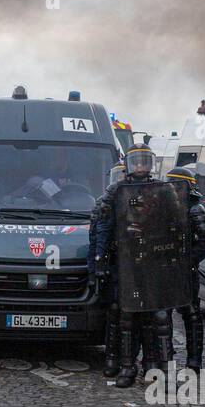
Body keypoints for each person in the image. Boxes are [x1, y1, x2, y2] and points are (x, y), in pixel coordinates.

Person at [98, 144, 175, 388]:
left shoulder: (163, 191)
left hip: (153, 261)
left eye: (144, 161)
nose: (141, 166)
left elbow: (175, 223)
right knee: (127, 317)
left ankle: (156, 366)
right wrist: (101, 259)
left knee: (157, 317)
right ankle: (127, 366)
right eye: (136, 161)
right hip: (127, 261)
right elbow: (103, 226)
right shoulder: (116, 190)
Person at [166, 166, 205, 371]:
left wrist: (189, 260)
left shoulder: (196, 208)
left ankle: (194, 360)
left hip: (186, 271)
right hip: (165, 268)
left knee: (191, 314)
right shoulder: (162, 207)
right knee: (163, 314)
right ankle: (164, 356)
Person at [89, 161, 127, 377]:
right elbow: (96, 239)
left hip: (133, 263)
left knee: (137, 318)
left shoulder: (138, 200)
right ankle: (113, 358)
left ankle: (130, 361)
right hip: (113, 263)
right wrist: (95, 268)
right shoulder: (103, 204)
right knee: (114, 313)